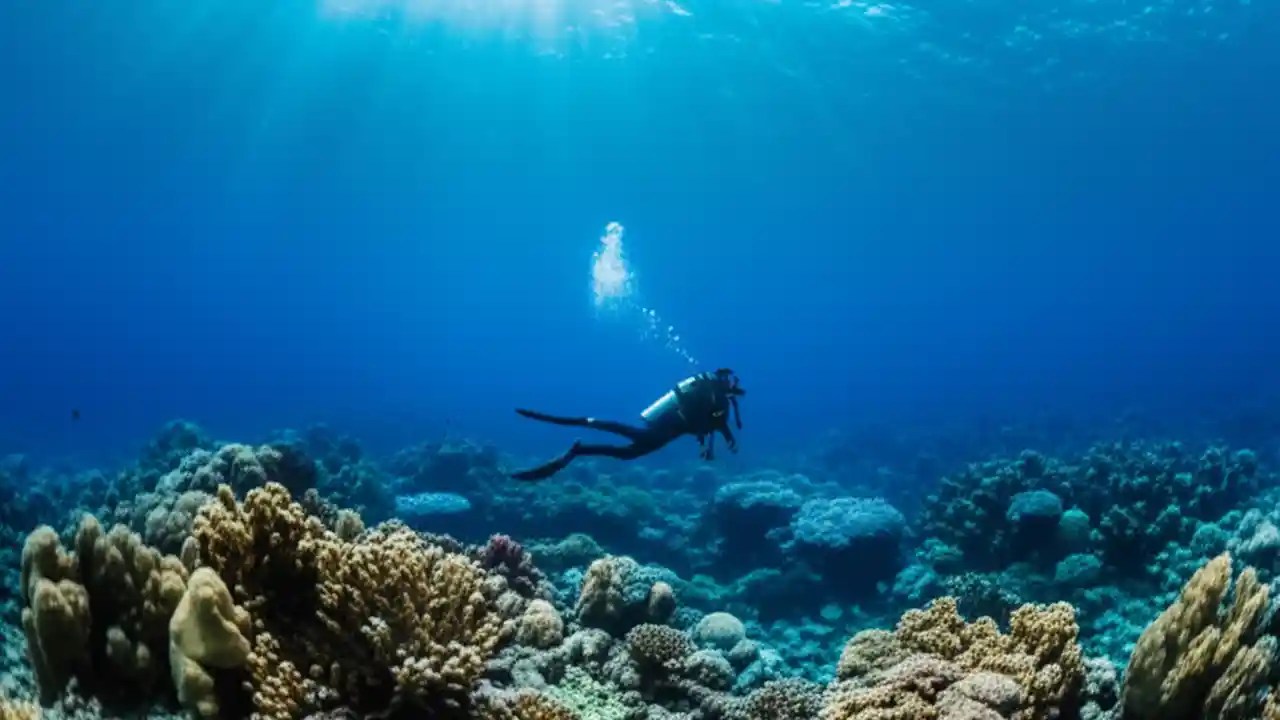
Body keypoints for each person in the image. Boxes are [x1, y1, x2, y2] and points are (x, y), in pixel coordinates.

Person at [509, 368, 746, 481]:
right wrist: (726, 440)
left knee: (628, 453)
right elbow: (714, 423)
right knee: (632, 436)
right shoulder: (715, 397)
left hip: (669, 430)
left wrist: (727, 440)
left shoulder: (716, 400)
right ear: (726, 383)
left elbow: (715, 424)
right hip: (667, 428)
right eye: (732, 383)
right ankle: (588, 423)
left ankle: (580, 449)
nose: (734, 387)